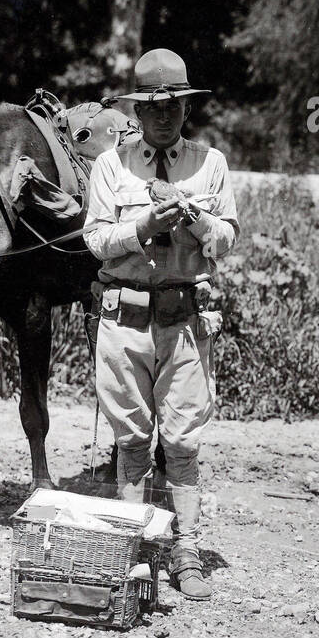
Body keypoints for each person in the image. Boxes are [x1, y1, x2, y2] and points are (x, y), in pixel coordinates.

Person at [83, 48, 238, 601]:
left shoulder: (210, 164)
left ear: (186, 109)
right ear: (137, 112)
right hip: (124, 319)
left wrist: (193, 219)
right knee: (131, 439)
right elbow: (96, 240)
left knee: (182, 441)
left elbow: (227, 240)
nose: (164, 115)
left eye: (174, 104)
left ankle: (185, 548)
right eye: (153, 106)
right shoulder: (111, 165)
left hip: (185, 321)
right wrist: (146, 222)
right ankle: (135, 550)